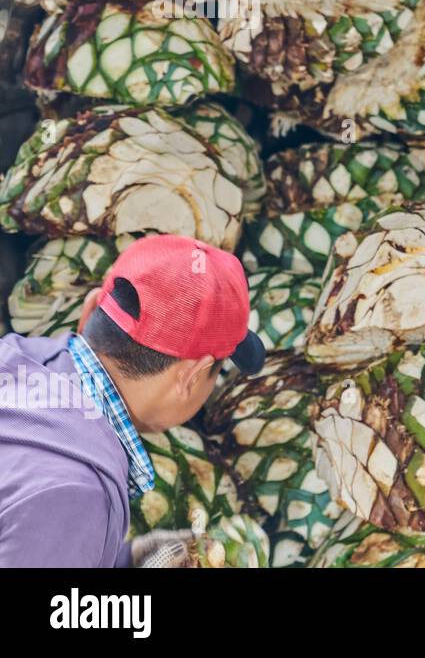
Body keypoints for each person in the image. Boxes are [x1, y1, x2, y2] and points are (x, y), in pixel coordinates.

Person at [0, 235, 265, 567]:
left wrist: (125, 559)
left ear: (91, 310)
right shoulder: (76, 494)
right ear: (192, 375)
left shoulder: (11, 359)